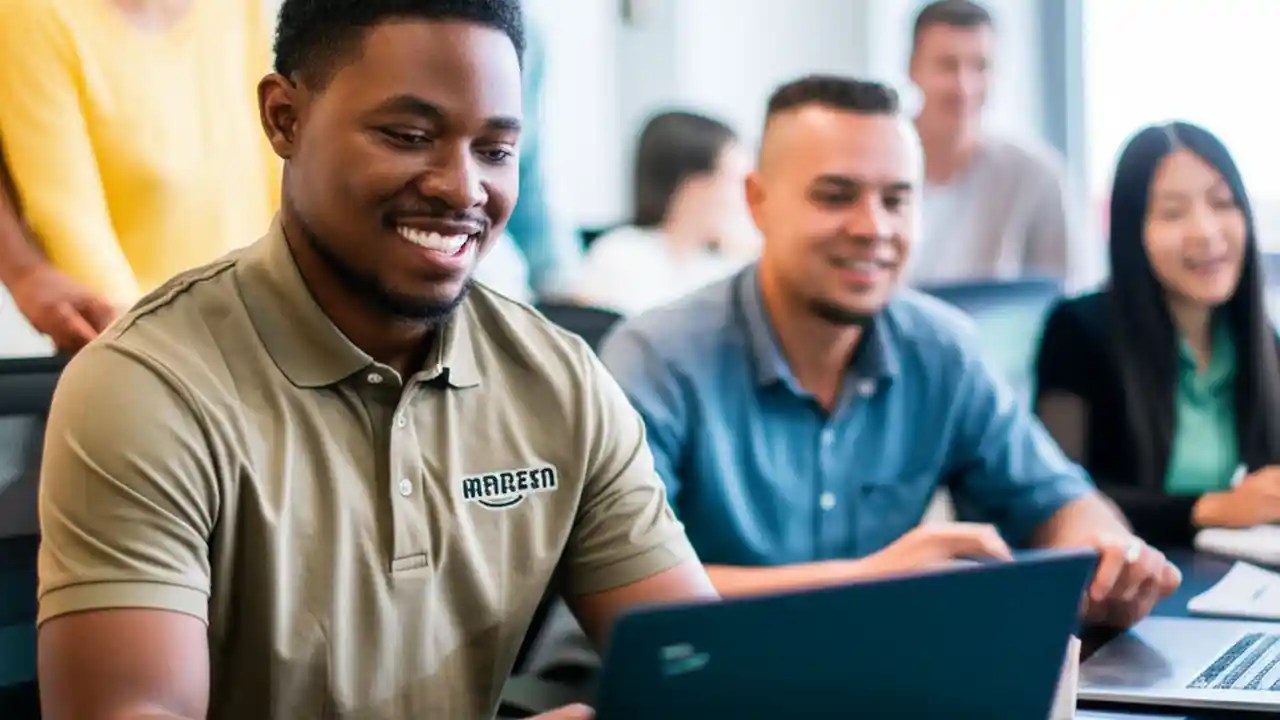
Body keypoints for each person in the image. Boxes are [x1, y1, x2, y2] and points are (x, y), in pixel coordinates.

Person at [35, 2, 715, 718]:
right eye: (409, 135)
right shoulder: (147, 385)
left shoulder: (562, 381)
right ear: (284, 118)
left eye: (495, 151)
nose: (462, 188)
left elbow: (699, 673)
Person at [600, 75, 1180, 628]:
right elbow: (634, 596)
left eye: (897, 200)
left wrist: (1107, 554)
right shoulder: (656, 360)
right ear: (758, 202)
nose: (873, 227)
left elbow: (1057, 498)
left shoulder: (942, 350)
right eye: (835, 196)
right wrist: (871, 579)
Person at [1034, 122, 1280, 547]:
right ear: (1132, 230)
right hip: (1129, 585)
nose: (1206, 231)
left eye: (1222, 203)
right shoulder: (1077, 330)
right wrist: (1209, 509)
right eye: (1172, 212)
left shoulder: (1261, 341)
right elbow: (1054, 495)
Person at [0, 0, 279, 327]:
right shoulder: (35, 16)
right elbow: (77, 237)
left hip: (262, 337)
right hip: (150, 351)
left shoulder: (236, 9)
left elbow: (276, 181)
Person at [906, 0, 1079, 285]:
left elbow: (1066, 290)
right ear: (913, 68)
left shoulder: (1036, 176)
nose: (964, 86)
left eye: (980, 67)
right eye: (947, 66)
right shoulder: (874, 166)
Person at [576, 110, 755, 316]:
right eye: (737, 182)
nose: (747, 197)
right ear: (692, 186)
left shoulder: (726, 266)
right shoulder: (621, 255)